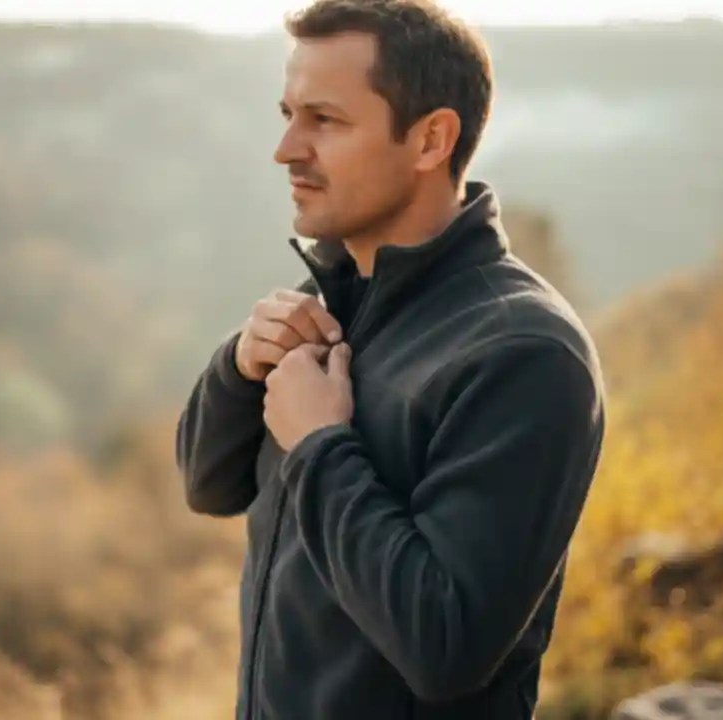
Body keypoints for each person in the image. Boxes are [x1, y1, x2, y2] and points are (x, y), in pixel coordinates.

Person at [175, 1, 606, 717]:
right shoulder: (331, 299)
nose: (285, 148)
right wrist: (239, 366)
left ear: (432, 138)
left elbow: (446, 647)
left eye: (325, 120)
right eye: (287, 113)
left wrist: (319, 446)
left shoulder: (525, 354)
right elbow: (208, 485)